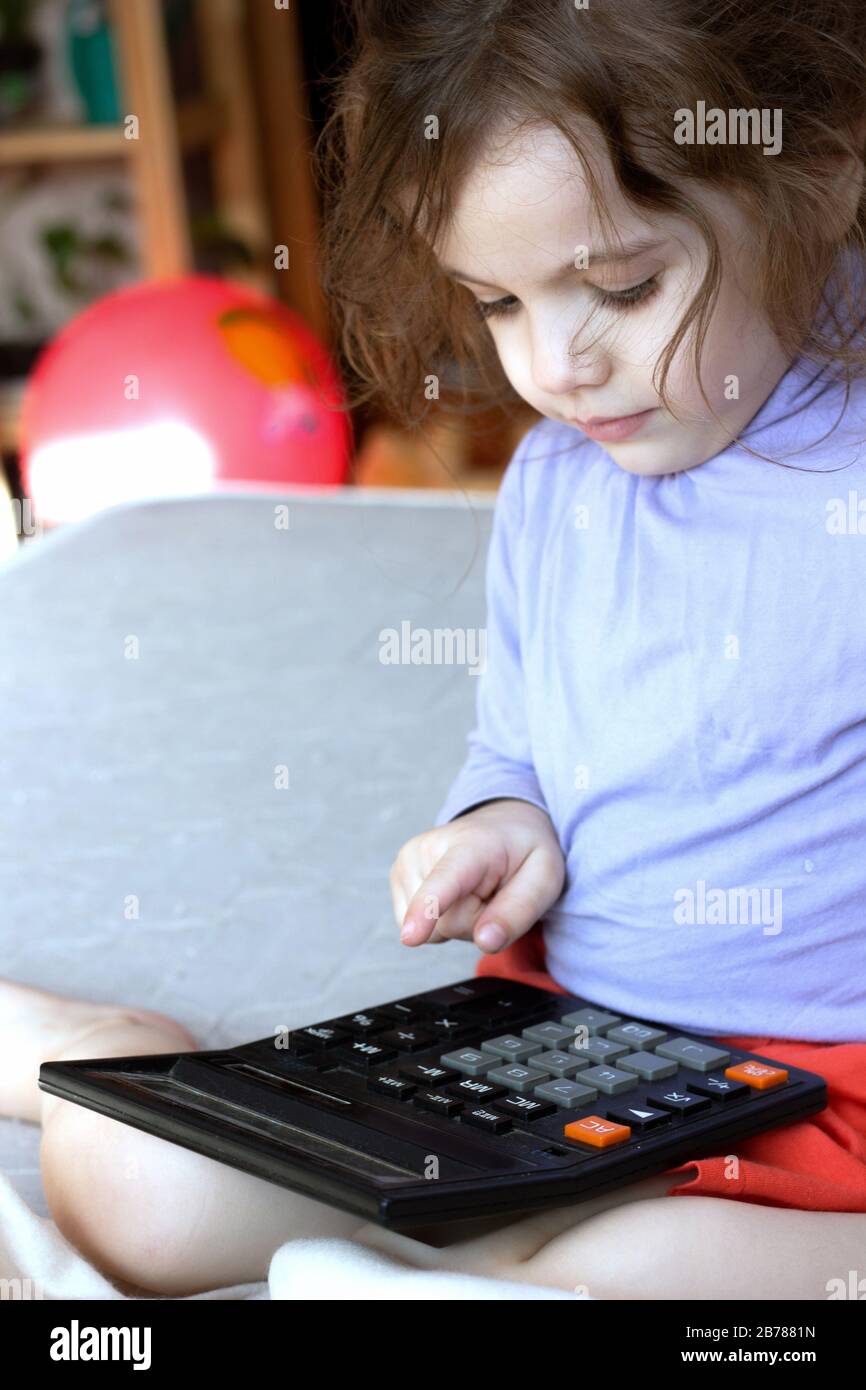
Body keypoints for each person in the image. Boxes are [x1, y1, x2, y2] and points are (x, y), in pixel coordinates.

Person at [3, 0, 866, 1298]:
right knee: (132, 1183)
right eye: (498, 304)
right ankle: (123, 1056)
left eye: (622, 286)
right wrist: (501, 819)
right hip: (565, 1053)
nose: (558, 364)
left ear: (813, 170)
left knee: (646, 1267)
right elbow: (522, 742)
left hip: (818, 1091)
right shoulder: (556, 480)